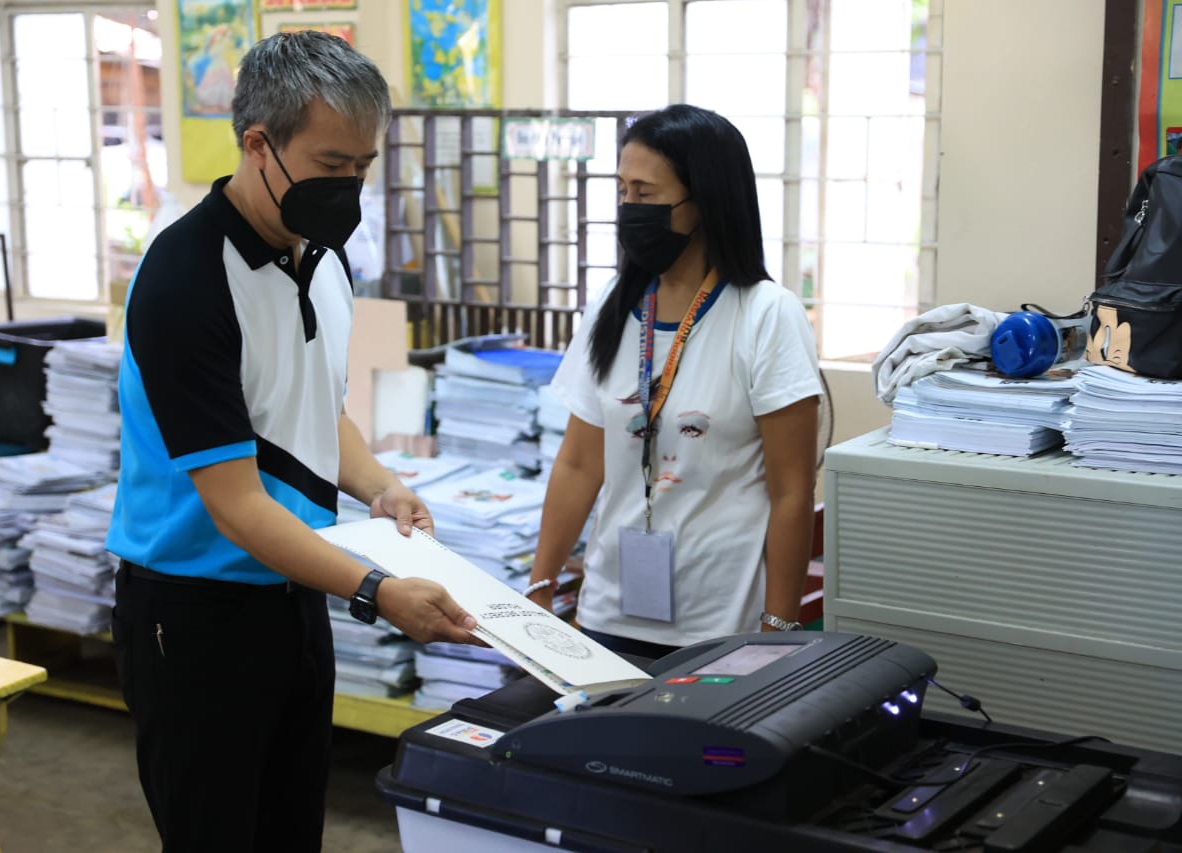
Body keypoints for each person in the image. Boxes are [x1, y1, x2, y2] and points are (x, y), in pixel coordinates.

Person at [106, 32, 477, 852]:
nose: (348, 188)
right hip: (193, 616)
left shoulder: (322, 258)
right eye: (331, 165)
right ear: (257, 143)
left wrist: (377, 483)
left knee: (289, 833)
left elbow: (309, 413)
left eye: (362, 168)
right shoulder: (185, 279)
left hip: (292, 596)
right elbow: (236, 505)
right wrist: (378, 589)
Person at [526, 104, 821, 660]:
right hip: (608, 611)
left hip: (721, 624)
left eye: (647, 193)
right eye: (623, 192)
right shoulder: (613, 309)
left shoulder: (766, 315)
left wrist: (778, 628)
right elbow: (579, 464)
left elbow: (791, 492)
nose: (629, 209)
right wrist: (539, 589)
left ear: (704, 202)